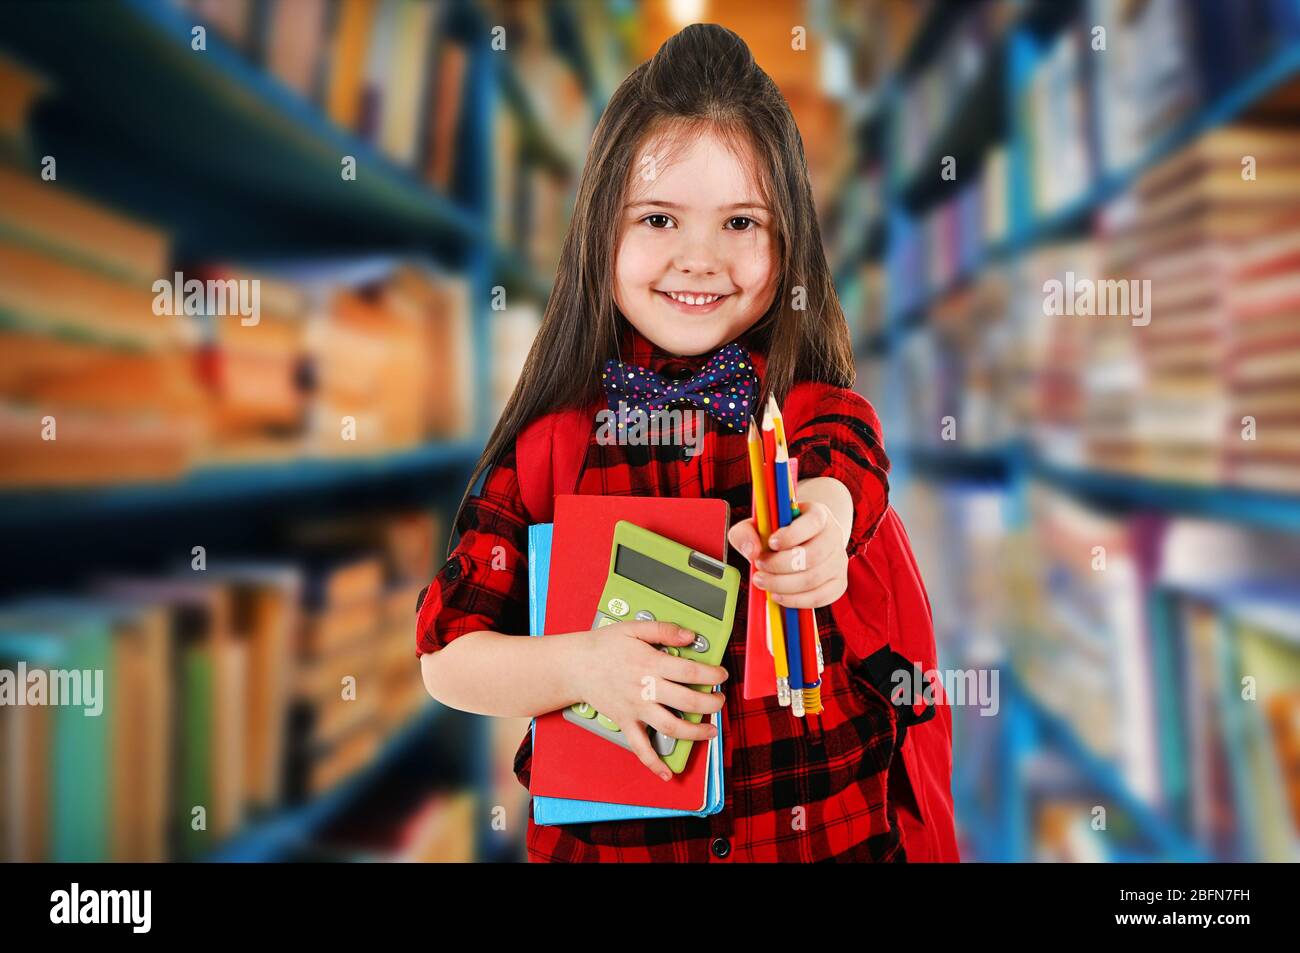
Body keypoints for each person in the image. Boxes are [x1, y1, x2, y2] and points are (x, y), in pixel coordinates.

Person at [417, 23, 956, 862]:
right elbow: (448, 659)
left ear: (790, 242)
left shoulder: (815, 412)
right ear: (600, 230)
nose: (699, 259)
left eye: (742, 222)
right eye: (659, 218)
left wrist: (823, 528)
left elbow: (844, 471)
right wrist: (580, 667)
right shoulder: (550, 446)